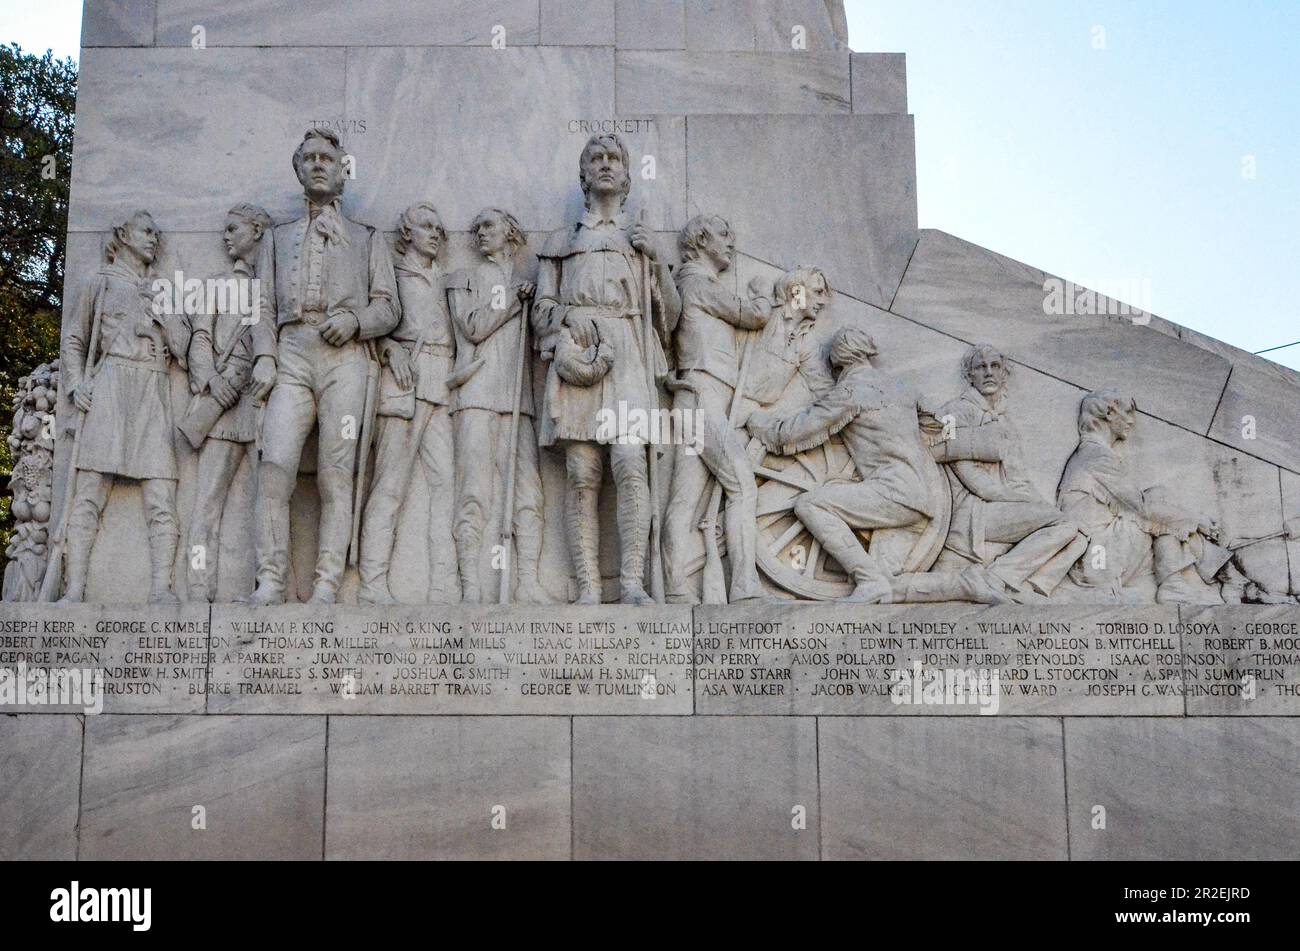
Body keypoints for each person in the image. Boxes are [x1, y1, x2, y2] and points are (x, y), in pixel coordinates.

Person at [247, 128, 399, 605]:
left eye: (327, 159)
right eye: (309, 158)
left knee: (337, 469)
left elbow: (389, 307)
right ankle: (270, 577)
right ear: (298, 170)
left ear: (341, 172)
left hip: (346, 360)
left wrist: (356, 321)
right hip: (292, 352)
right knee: (275, 465)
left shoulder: (367, 238)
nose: (318, 164)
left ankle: (327, 582)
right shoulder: (276, 239)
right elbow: (261, 308)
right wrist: (266, 356)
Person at [532, 133, 681, 604]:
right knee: (581, 469)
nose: (605, 164)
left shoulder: (639, 241)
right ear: (583, 174)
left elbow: (670, 319)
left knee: (630, 462)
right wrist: (565, 319)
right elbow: (541, 311)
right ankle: (589, 588)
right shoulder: (562, 241)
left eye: (614, 158)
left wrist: (656, 262)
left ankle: (633, 582)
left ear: (627, 175)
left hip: (629, 350)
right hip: (578, 351)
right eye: (595, 158)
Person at [60, 210, 190, 604]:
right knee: (88, 493)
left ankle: (161, 589)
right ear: (124, 234)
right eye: (147, 231)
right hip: (111, 382)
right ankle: (74, 589)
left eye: (156, 233)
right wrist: (76, 385)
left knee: (162, 495)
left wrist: (163, 319)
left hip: (152, 386)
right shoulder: (97, 283)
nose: (154, 239)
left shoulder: (163, 291)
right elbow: (74, 340)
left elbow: (183, 350)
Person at [662, 214, 771, 604]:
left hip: (699, 398)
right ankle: (743, 585)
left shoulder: (687, 283)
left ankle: (675, 588)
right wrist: (762, 293)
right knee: (741, 484)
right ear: (700, 239)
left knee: (683, 500)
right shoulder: (697, 282)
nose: (731, 243)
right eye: (724, 235)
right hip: (702, 394)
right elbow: (751, 315)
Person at [446, 207, 549, 604]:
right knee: (474, 491)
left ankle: (527, 581)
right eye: (474, 228)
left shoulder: (528, 285)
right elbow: (472, 328)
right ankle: (470, 586)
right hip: (476, 398)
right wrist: (512, 301)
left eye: (487, 225)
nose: (478, 232)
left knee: (528, 494)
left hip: (516, 400)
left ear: (511, 231)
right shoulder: (462, 279)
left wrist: (531, 299)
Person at [356, 202, 458, 604]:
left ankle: (442, 585)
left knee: (444, 485)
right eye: (426, 227)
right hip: (403, 383)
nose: (435, 234)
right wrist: (387, 350)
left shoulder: (445, 279)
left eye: (439, 228)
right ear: (407, 234)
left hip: (442, 383)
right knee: (389, 486)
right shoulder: (393, 275)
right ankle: (372, 584)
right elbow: (370, 319)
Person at [183, 203, 275, 602]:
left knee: (265, 504)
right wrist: (211, 380)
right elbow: (200, 338)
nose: (225, 235)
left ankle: (260, 589)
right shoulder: (218, 284)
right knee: (207, 504)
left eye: (233, 228)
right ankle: (200, 588)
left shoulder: (278, 289)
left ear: (256, 231)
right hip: (221, 403)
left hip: (262, 404)